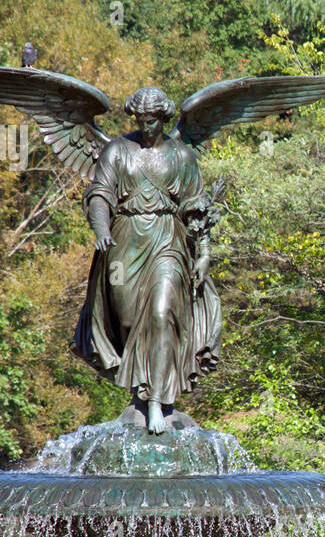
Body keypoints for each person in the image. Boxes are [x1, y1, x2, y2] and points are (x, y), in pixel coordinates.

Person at [71, 86, 223, 434]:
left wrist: (204, 253)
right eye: (140, 119)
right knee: (124, 319)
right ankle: (140, 395)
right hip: (123, 243)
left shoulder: (181, 156)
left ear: (164, 118)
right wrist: (101, 227)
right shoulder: (118, 151)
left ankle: (156, 401)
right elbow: (100, 195)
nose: (146, 126)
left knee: (160, 313)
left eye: (152, 120)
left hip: (168, 241)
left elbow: (197, 208)